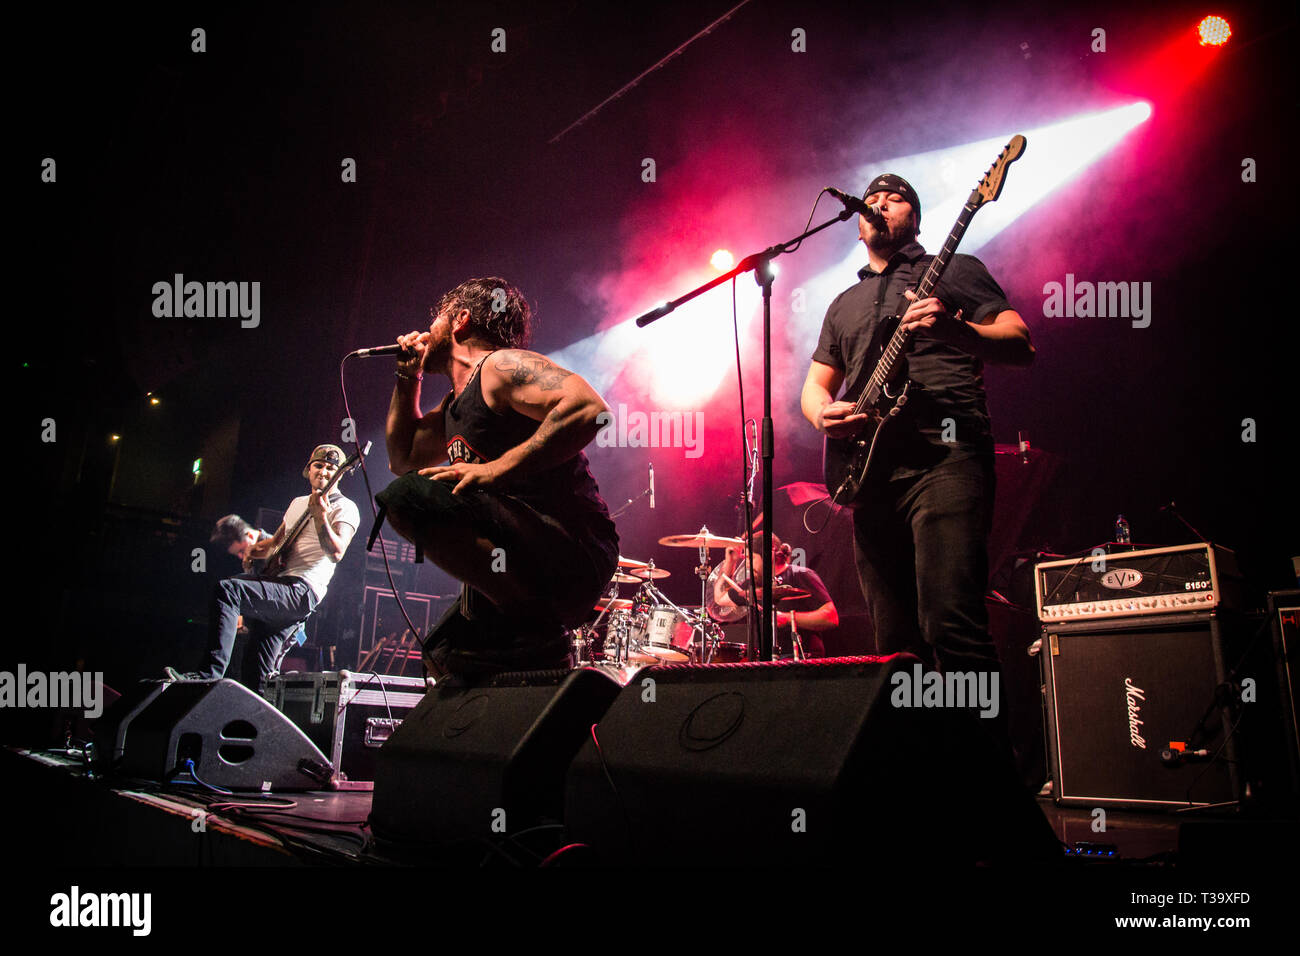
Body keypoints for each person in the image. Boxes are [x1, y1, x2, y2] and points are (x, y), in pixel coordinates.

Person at [800, 173, 1034, 700]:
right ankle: (919, 775)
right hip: (871, 473)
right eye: (872, 199)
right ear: (858, 226)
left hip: (945, 459)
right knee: (896, 647)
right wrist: (822, 415)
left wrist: (957, 330)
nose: (879, 204)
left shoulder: (955, 270)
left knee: (951, 622)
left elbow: (1020, 342)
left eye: (895, 198)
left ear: (917, 218)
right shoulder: (843, 304)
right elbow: (816, 386)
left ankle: (988, 774)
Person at [378, 276, 619, 679]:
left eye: (435, 319)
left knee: (410, 499)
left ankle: (538, 631)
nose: (427, 329)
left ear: (460, 320)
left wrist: (494, 469)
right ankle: (529, 651)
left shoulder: (500, 365)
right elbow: (402, 458)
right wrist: (408, 379)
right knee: (445, 655)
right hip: (524, 549)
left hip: (574, 548)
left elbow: (590, 409)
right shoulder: (454, 404)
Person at [165, 445, 359, 688]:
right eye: (318, 466)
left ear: (340, 474)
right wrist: (253, 550)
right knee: (254, 675)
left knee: (229, 590)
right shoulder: (297, 503)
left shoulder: (346, 507)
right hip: (280, 588)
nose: (323, 472)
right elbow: (276, 543)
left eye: (331, 468)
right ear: (308, 470)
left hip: (301, 592)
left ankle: (209, 674)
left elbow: (337, 551)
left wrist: (320, 516)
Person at [706, 531, 837, 658]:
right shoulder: (753, 583)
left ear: (768, 555)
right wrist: (730, 562)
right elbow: (720, 598)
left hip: (800, 659)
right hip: (764, 660)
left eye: (750, 558)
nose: (746, 565)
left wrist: (787, 619)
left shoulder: (800, 575)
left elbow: (831, 618)